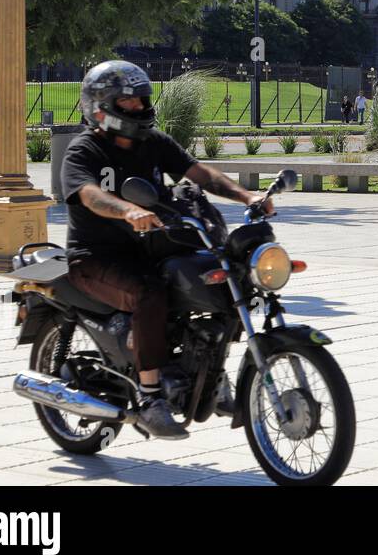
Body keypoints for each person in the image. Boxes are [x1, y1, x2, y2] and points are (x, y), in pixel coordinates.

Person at [61, 60, 274, 440]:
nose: (141, 107)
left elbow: (199, 173)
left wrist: (246, 194)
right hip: (96, 257)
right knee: (149, 294)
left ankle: (212, 374)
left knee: (224, 279)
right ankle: (150, 396)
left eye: (143, 98)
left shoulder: (153, 142)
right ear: (101, 106)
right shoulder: (84, 149)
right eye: (130, 101)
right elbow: (89, 194)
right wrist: (127, 209)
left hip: (152, 250)